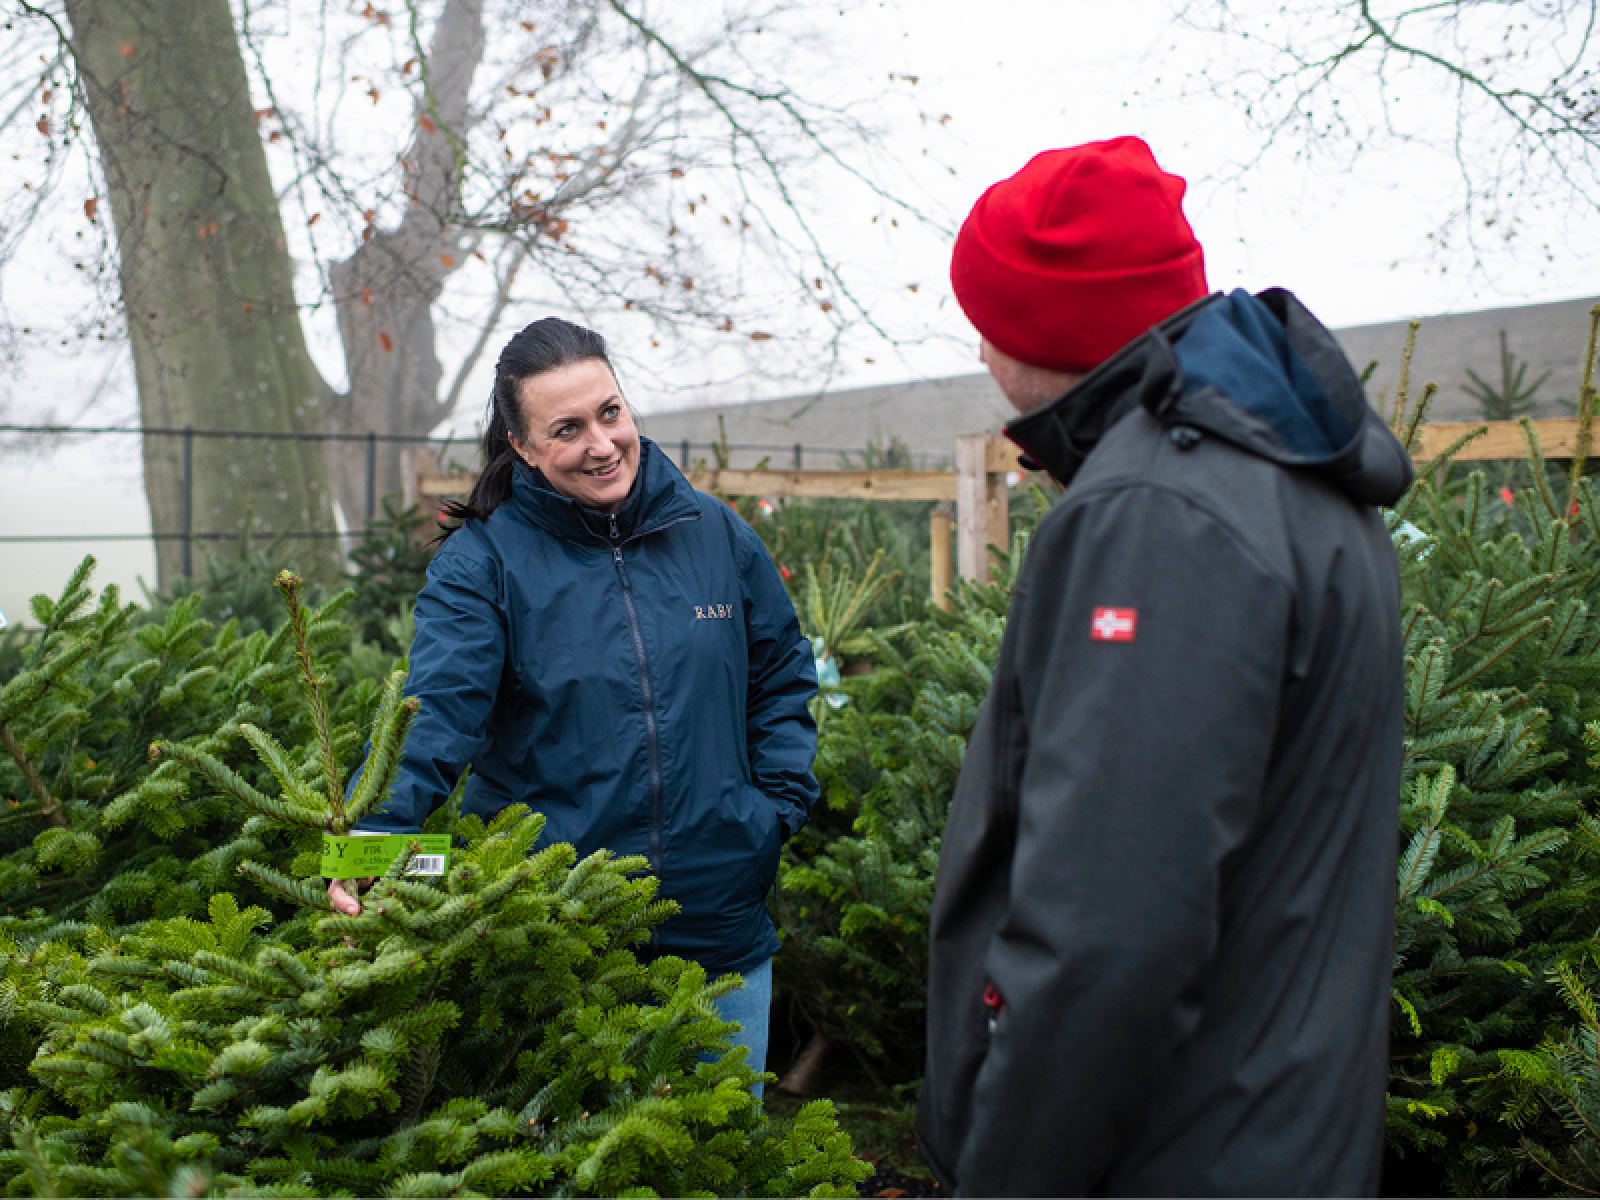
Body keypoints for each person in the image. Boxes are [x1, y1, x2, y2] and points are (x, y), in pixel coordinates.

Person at [916, 137, 1413, 1195]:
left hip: (1175, 1157)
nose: (975, 347)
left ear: (1037, 331)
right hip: (1272, 1136)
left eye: (986, 317)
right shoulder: (1282, 471)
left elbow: (1107, 935)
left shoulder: (1159, 517)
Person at [328, 317, 820, 1085]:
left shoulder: (715, 536)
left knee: (726, 1156)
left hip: (719, 918)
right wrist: (364, 853)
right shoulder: (485, 563)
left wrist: (771, 813)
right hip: (559, 927)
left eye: (611, 412)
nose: (602, 443)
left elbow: (781, 676)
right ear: (522, 446)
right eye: (567, 428)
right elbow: (436, 712)